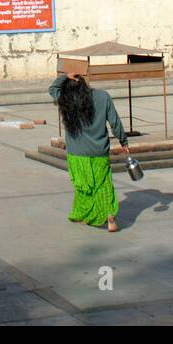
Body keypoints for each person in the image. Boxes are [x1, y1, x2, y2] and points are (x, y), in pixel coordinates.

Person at [49, 71, 129, 232]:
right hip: (99, 151)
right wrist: (123, 140)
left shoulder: (66, 99)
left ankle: (87, 213)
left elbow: (52, 89)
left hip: (77, 154)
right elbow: (114, 121)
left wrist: (65, 76)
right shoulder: (103, 96)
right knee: (103, 185)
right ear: (85, 84)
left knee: (84, 186)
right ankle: (109, 218)